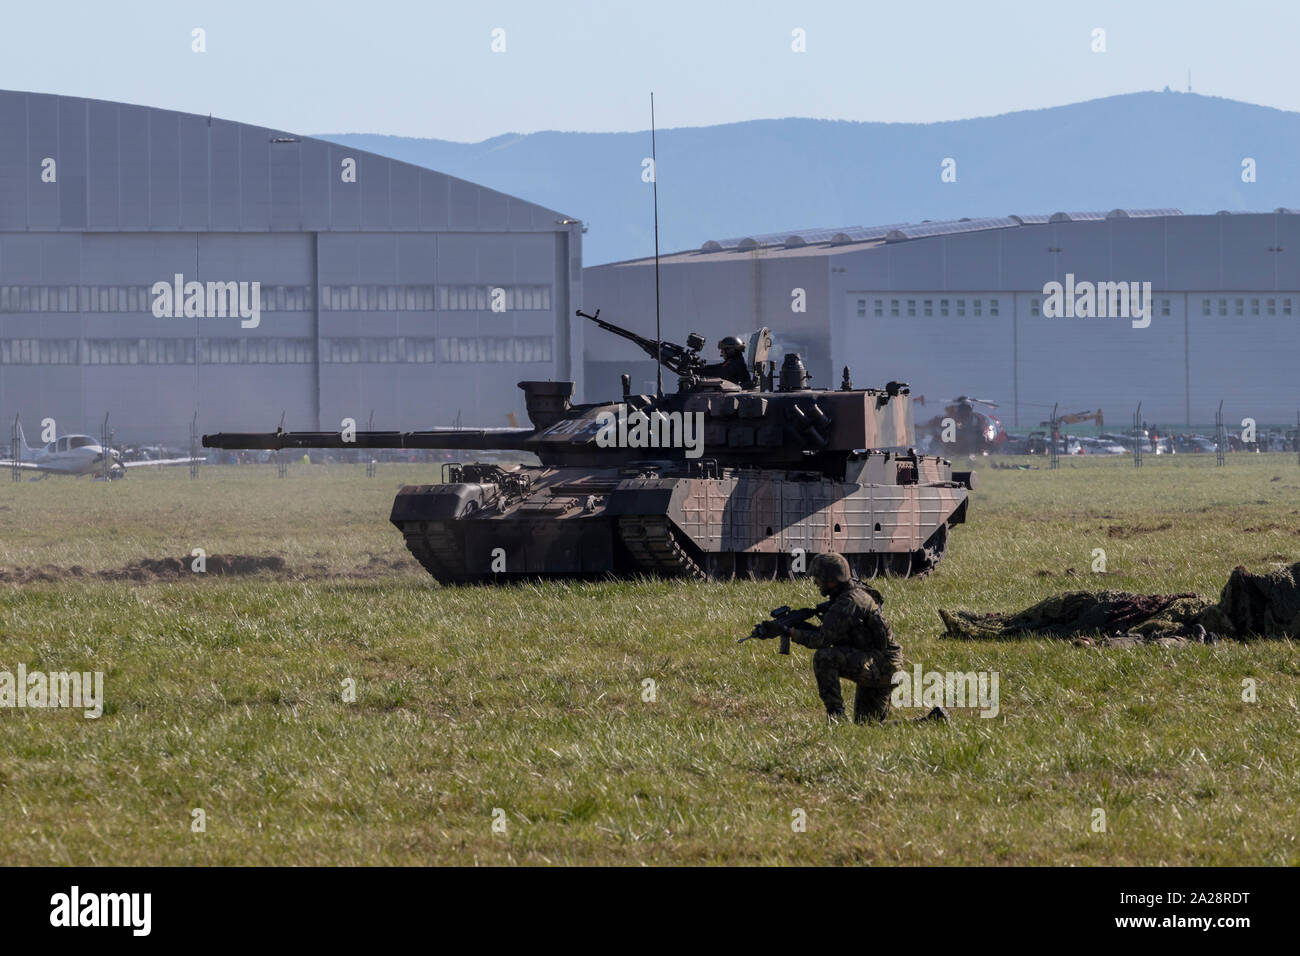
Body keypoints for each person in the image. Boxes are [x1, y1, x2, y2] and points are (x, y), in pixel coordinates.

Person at [767, 552, 947, 724]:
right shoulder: (851, 594)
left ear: (831, 580)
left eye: (818, 578)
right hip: (885, 662)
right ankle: (931, 721)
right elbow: (831, 632)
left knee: (824, 657)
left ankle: (836, 716)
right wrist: (797, 627)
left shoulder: (849, 602)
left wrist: (790, 632)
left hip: (882, 665)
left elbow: (821, 641)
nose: (815, 583)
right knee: (868, 727)